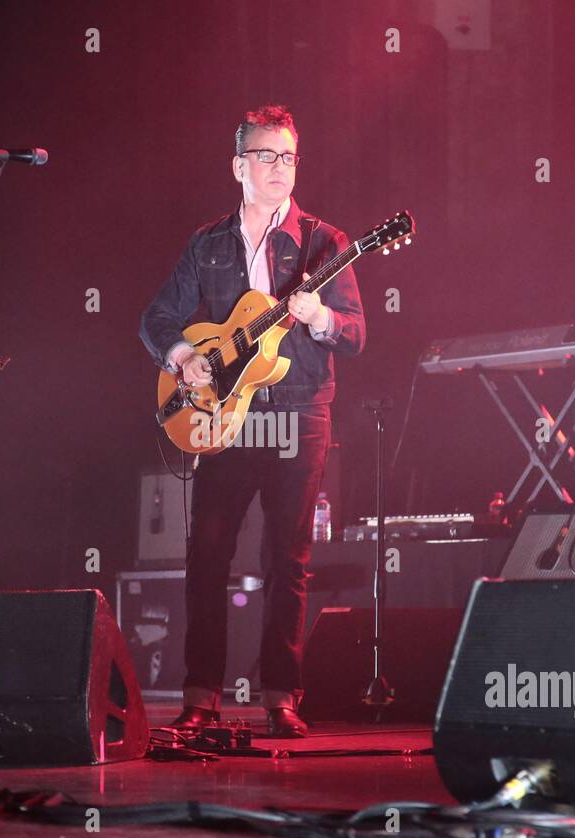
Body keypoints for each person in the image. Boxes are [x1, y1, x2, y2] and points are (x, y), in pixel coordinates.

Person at [139, 105, 365, 737]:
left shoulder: (327, 243)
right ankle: (201, 695)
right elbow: (156, 319)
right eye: (267, 156)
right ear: (239, 165)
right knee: (207, 555)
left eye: (289, 156)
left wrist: (319, 318)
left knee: (288, 560)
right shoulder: (207, 243)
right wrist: (183, 357)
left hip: (299, 413)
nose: (280, 168)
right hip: (224, 419)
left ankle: (281, 697)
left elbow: (354, 334)